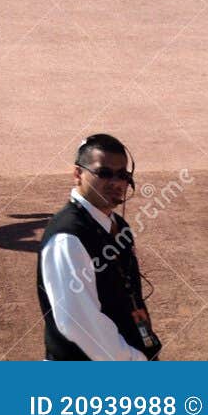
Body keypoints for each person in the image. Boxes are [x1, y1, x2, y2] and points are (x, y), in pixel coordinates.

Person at [37, 134, 162, 360]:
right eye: (104, 173)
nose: (116, 182)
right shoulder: (68, 237)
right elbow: (77, 323)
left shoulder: (117, 226)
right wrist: (133, 360)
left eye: (123, 175)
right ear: (78, 174)